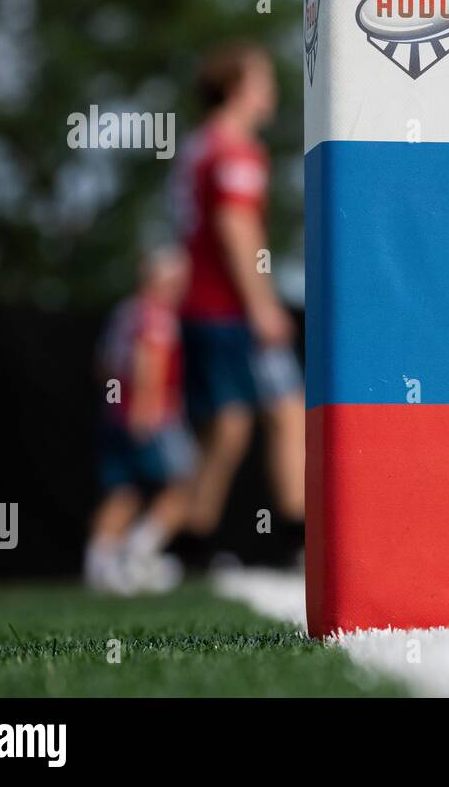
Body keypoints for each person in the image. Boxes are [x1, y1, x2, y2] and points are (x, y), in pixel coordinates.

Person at [171, 43, 304, 546]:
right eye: (262, 80)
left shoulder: (199, 147)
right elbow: (236, 228)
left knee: (226, 429)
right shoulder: (234, 151)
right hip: (228, 311)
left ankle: (190, 541)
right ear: (235, 88)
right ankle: (296, 537)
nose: (270, 91)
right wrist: (264, 307)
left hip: (203, 308)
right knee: (278, 417)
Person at [85, 249, 195, 593]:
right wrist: (144, 407)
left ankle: (99, 564)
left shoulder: (124, 312)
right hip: (152, 415)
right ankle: (139, 552)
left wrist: (117, 402)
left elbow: (102, 365)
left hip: (114, 415)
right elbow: (150, 359)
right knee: (185, 486)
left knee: (123, 491)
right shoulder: (156, 316)